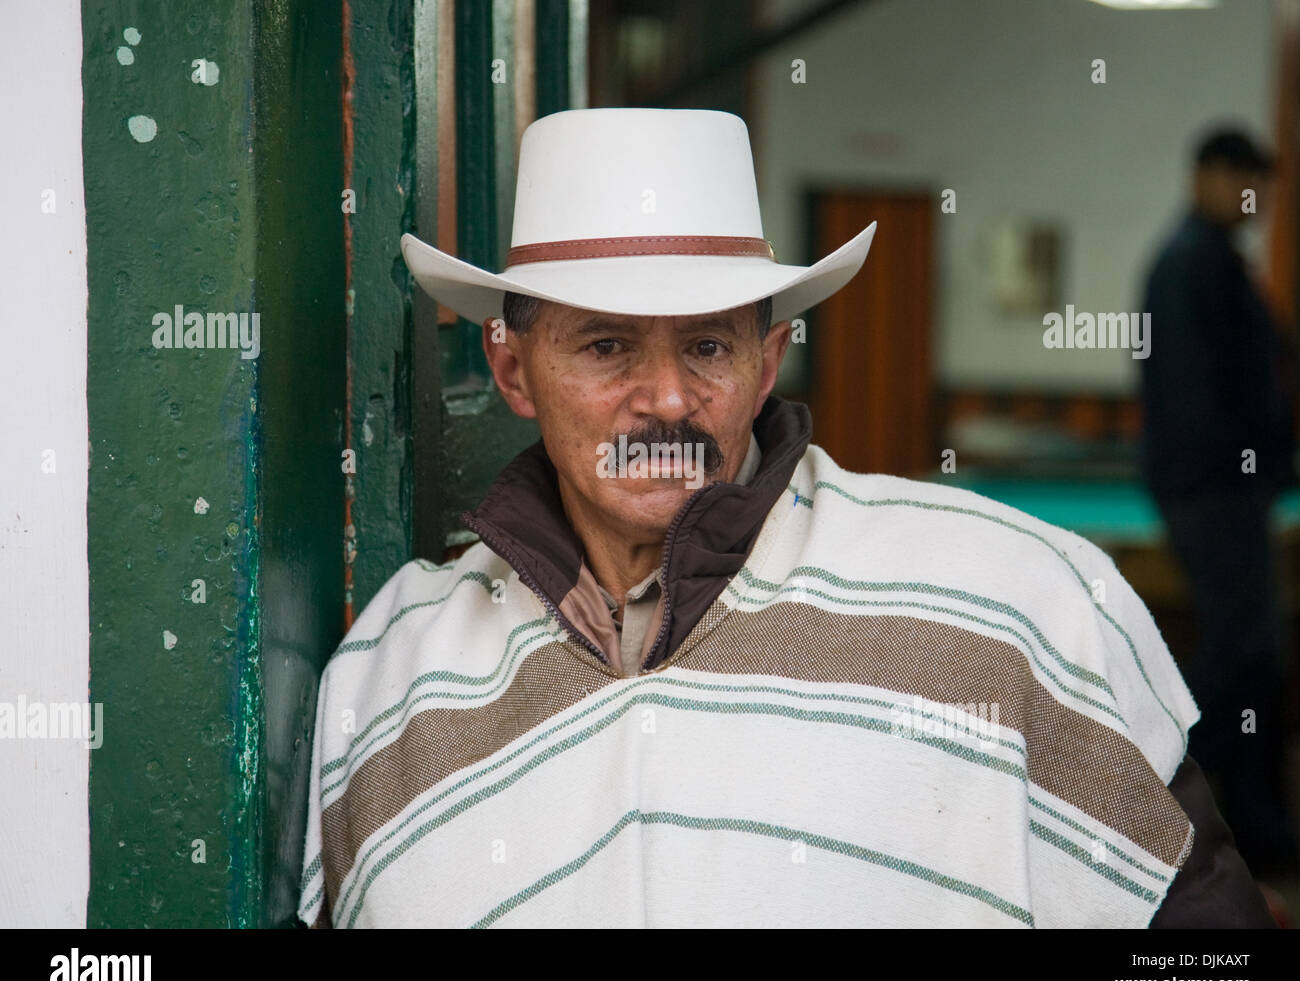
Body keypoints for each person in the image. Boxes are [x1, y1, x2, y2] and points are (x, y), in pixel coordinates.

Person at [299, 108, 1273, 928]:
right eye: (605, 346)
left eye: (707, 347)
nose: (667, 401)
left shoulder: (1016, 609)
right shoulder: (395, 671)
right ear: (513, 370)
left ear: (765, 366)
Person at [1139, 125, 1299, 880]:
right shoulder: (1188, 264)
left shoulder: (1217, 261)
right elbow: (1192, 399)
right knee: (1240, 659)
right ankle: (1184, 828)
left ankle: (1242, 831)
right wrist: (1245, 475)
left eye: (1262, 185)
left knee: (1251, 661)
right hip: (1214, 492)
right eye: (1244, 181)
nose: (1255, 198)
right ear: (1205, 175)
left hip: (1228, 490)